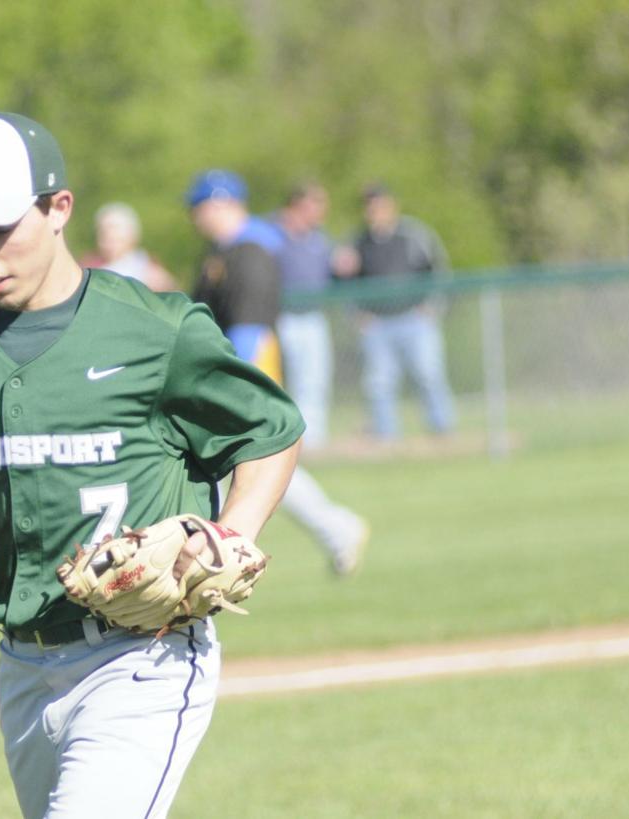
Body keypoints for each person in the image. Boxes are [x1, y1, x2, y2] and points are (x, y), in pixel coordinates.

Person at [0, 111, 304, 819]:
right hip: (22, 666)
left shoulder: (157, 330)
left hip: (143, 657)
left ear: (59, 207)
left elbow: (272, 432)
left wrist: (231, 532)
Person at [186, 169, 369, 575]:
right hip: (233, 368)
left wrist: (229, 384)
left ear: (220, 204)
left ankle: (331, 529)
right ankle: (335, 529)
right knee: (250, 465)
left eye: (199, 207)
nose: (195, 216)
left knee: (255, 462)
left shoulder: (251, 250)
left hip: (248, 366)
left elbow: (249, 326)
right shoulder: (224, 250)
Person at [336, 183, 456, 440]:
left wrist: (433, 306)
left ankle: (442, 429)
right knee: (379, 382)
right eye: (371, 207)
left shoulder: (414, 234)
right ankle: (386, 436)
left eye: (380, 205)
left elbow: (438, 270)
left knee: (428, 373)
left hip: (415, 318)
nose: (375, 212)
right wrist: (356, 314)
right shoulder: (358, 241)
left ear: (392, 206)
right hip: (377, 323)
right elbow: (344, 282)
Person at [273, 182, 344, 451]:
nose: (320, 212)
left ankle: (312, 438)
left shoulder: (319, 239)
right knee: (279, 378)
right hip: (281, 317)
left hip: (313, 315)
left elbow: (333, 271)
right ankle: (280, 437)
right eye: (316, 205)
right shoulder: (273, 234)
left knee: (314, 378)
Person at [79, 201, 179, 291]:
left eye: (115, 230)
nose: (108, 236)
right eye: (103, 231)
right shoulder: (87, 269)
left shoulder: (150, 272)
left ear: (132, 236)